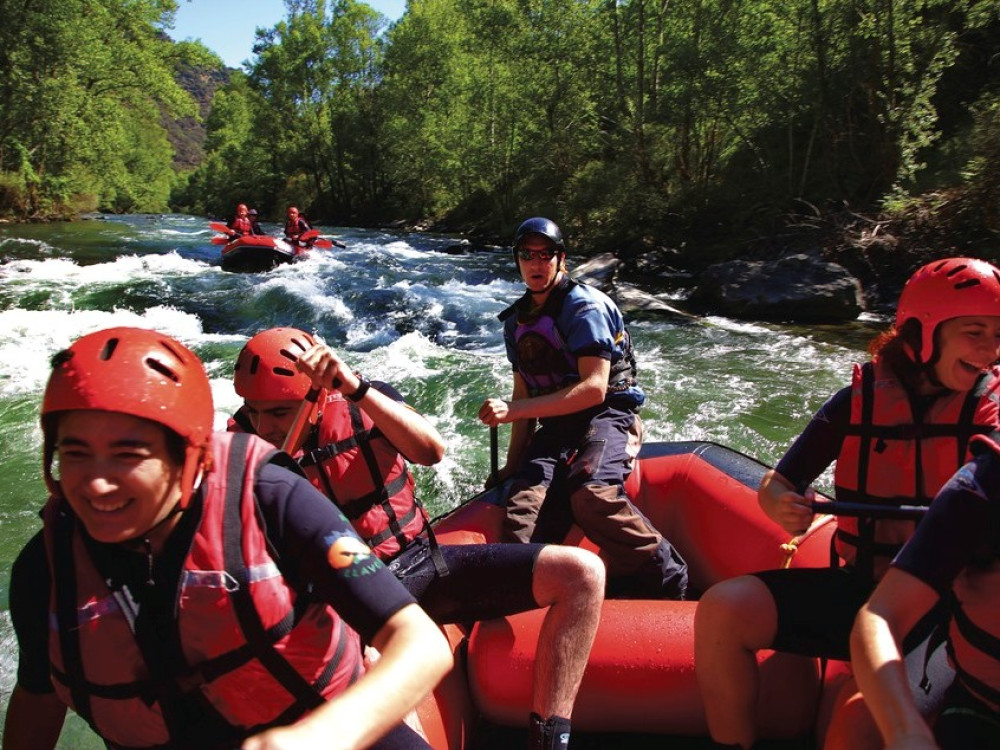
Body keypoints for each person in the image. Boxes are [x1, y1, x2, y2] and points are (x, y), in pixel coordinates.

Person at [3, 327, 452, 750]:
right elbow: (38, 699)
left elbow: (421, 643)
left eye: (129, 455)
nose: (98, 483)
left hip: (316, 716)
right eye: (75, 453)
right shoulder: (46, 566)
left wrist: (319, 736)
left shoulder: (269, 495)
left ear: (188, 455)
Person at [230, 326, 606, 750]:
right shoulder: (245, 447)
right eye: (254, 410)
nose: (265, 426)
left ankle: (549, 740)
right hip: (355, 598)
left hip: (424, 564)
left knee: (582, 573)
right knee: (379, 668)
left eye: (279, 413)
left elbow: (431, 450)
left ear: (315, 396)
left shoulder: (363, 403)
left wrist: (356, 388)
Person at [694, 257, 1000, 750]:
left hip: (943, 610)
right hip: (860, 585)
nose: (990, 352)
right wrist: (780, 504)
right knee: (723, 608)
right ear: (923, 331)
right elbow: (779, 481)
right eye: (974, 333)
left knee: (851, 721)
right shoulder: (859, 400)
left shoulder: (990, 415)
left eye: (996, 336)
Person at [476, 217, 688, 600]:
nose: (536, 264)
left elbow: (593, 390)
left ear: (560, 259)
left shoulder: (583, 307)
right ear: (517, 259)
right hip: (557, 424)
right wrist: (511, 467)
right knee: (521, 515)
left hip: (607, 413)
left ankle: (671, 579)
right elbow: (522, 397)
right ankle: (533, 604)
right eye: (527, 255)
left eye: (545, 255)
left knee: (591, 495)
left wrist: (515, 410)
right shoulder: (516, 322)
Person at [851, 432, 1000, 749]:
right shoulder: (984, 483)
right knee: (858, 722)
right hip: (984, 709)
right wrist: (907, 733)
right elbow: (879, 615)